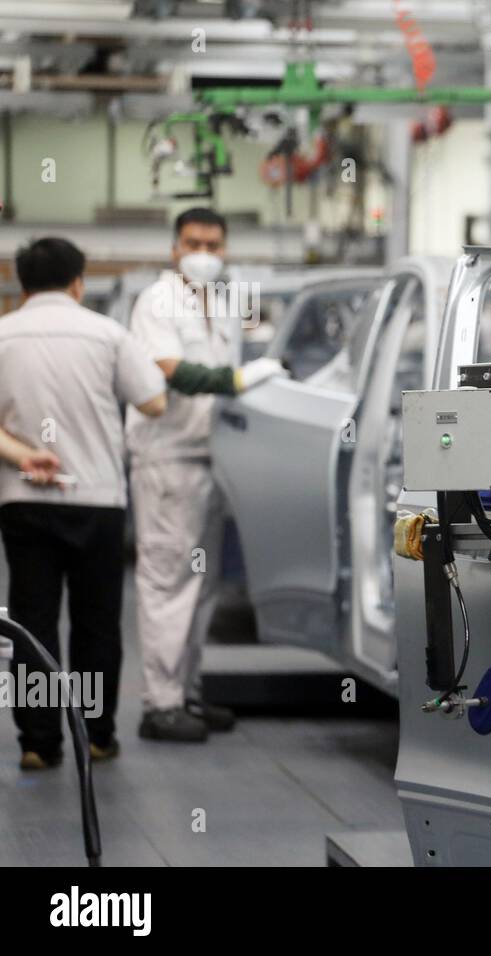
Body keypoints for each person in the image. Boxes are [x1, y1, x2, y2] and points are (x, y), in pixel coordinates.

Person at [0, 237, 167, 770]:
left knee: (32, 621)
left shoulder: (2, 335)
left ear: (21, 284)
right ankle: (96, 736)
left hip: (24, 498)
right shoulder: (107, 334)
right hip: (97, 497)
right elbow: (154, 401)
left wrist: (26, 454)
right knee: (96, 622)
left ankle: (38, 742)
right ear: (79, 282)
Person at [127, 208, 286, 743]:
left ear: (225, 249)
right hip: (168, 459)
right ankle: (160, 703)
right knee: (168, 580)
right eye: (193, 242)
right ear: (174, 248)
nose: (203, 251)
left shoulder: (219, 302)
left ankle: (187, 691)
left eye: (213, 243)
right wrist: (240, 378)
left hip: (211, 458)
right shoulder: (157, 301)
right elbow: (173, 371)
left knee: (202, 585)